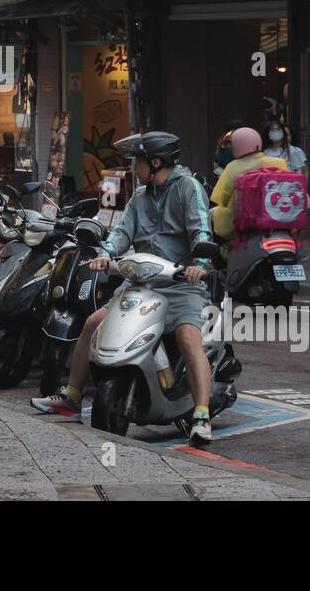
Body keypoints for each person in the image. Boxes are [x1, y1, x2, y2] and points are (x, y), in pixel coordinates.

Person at [30, 131, 219, 445]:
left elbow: (201, 230)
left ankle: (201, 414)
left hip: (182, 283)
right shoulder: (140, 196)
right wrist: (105, 254)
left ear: (156, 162)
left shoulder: (189, 189)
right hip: (142, 280)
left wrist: (200, 265)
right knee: (92, 324)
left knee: (188, 337)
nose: (135, 167)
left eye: (139, 161)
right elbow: (120, 233)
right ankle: (72, 398)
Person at [209, 127, 288, 240]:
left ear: (237, 145)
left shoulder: (233, 167)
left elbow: (221, 199)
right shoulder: (279, 162)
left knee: (211, 215)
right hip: (276, 216)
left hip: (244, 222)